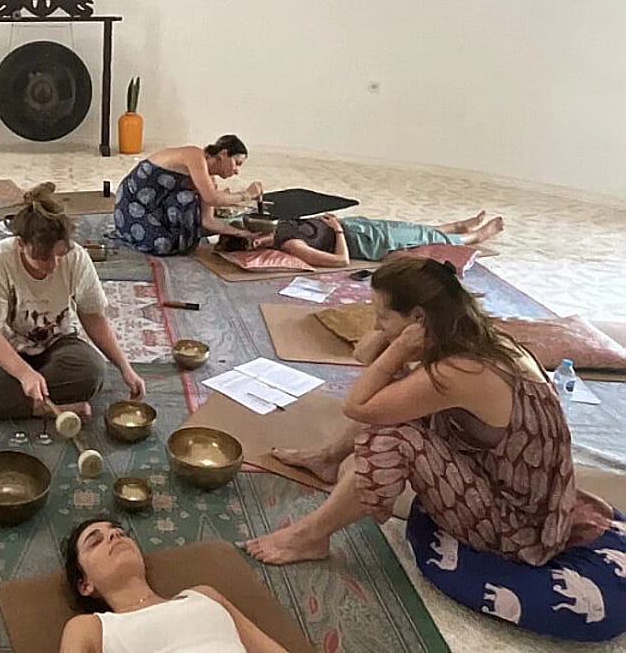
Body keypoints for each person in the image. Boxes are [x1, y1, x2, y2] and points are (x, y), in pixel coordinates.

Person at [244, 258, 613, 566]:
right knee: (397, 398)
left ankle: (309, 537)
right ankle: (327, 458)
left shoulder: (464, 369)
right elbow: (363, 356)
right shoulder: (468, 331)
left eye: (382, 316)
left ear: (418, 318)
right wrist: (392, 336)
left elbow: (359, 405)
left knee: (391, 436)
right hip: (507, 486)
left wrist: (399, 349)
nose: (375, 326)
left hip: (518, 529)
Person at [0, 183, 145, 419]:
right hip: (5, 345)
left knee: (92, 372)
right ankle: (43, 408)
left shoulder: (76, 257)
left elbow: (94, 318)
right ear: (20, 244)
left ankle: (8, 402)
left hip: (55, 346)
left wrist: (125, 368)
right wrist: (24, 373)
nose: (54, 265)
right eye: (43, 259)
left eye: (60, 255)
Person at [60, 517, 288, 653]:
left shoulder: (203, 595)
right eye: (95, 541)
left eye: (119, 532)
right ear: (85, 585)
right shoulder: (90, 628)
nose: (114, 536)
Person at [113, 135, 263, 256]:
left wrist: (242, 233)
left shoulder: (209, 180)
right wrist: (247, 194)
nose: (236, 171)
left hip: (156, 207)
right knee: (163, 246)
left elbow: (208, 221)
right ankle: (128, 231)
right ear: (223, 154)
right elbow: (213, 198)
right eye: (237, 163)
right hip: (133, 203)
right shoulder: (195, 155)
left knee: (187, 206)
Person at [224, 210, 505, 266]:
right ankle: (473, 237)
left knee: (408, 228)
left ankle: (455, 225)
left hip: (357, 226)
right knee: (422, 241)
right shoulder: (290, 244)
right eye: (254, 241)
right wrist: (336, 229)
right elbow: (340, 260)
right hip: (367, 242)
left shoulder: (280, 228)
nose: (259, 237)